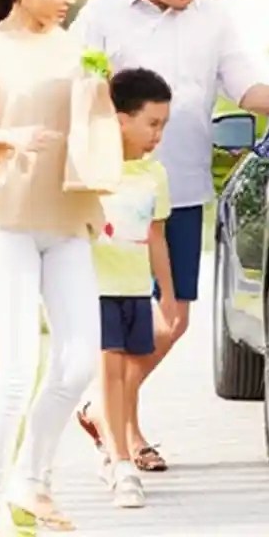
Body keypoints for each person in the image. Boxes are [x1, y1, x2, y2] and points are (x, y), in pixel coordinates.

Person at [69, 0, 269, 472]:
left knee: (172, 320)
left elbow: (245, 89)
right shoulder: (101, 15)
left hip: (182, 190)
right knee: (123, 322)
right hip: (115, 192)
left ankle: (101, 411)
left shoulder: (214, 19)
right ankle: (128, 435)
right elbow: (76, 95)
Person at [0, 0, 101, 535]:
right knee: (17, 368)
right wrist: (11, 138)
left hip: (67, 223)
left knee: (78, 362)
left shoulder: (78, 50)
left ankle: (30, 480)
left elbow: (92, 126)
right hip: (4, 225)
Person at [90, 67, 174, 509]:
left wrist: (169, 294)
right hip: (95, 287)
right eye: (152, 123)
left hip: (136, 288)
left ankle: (111, 448)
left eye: (163, 125)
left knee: (126, 373)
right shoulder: (89, 167)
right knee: (111, 367)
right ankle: (121, 464)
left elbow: (157, 237)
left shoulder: (154, 174)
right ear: (121, 120)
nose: (158, 134)